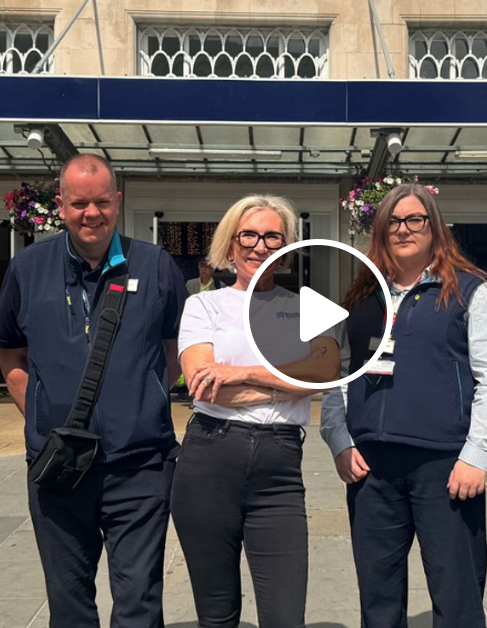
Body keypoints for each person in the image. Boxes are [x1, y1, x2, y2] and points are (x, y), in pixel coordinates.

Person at [0, 153, 188, 628]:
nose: (91, 214)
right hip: (58, 466)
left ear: (118, 202)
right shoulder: (28, 268)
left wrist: (144, 399)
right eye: (79, 203)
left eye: (102, 202)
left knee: (139, 601)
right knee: (68, 601)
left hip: (139, 465)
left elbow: (177, 346)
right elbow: (11, 357)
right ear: (61, 205)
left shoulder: (156, 265)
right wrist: (40, 417)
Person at [321, 184, 487, 628]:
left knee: (457, 596)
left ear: (435, 228)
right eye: (393, 221)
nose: (403, 229)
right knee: (378, 597)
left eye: (415, 220)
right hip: (370, 467)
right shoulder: (361, 297)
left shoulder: (471, 291)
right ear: (380, 230)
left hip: (445, 467)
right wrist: (338, 439)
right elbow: (338, 374)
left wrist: (476, 456)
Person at [174, 195, 339, 627]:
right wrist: (290, 387)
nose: (260, 246)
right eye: (249, 234)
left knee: (285, 616)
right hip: (209, 461)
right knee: (217, 614)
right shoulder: (203, 306)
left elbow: (324, 372)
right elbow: (204, 388)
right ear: (230, 244)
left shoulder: (306, 307)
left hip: (279, 470)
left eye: (272, 237)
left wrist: (241, 373)